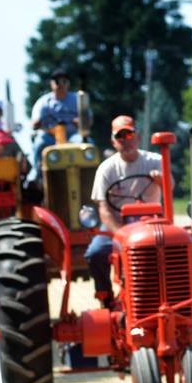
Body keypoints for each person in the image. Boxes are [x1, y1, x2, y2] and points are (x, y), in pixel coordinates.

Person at [84, 115, 165, 305]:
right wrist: (120, 233)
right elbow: (103, 208)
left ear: (137, 136)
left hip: (151, 224)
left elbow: (169, 190)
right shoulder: (107, 169)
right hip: (118, 224)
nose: (125, 140)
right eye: (120, 136)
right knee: (95, 252)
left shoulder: (155, 161)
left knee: (183, 244)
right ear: (113, 141)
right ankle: (105, 295)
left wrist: (162, 181)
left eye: (129, 134)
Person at [29, 66, 81, 175]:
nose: (61, 84)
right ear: (51, 84)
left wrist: (80, 122)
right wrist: (37, 122)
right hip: (50, 137)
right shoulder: (43, 102)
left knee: (86, 144)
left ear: (68, 83)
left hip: (72, 136)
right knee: (39, 143)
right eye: (57, 81)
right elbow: (33, 123)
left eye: (64, 81)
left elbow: (87, 121)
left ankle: (89, 176)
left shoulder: (77, 99)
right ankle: (36, 176)